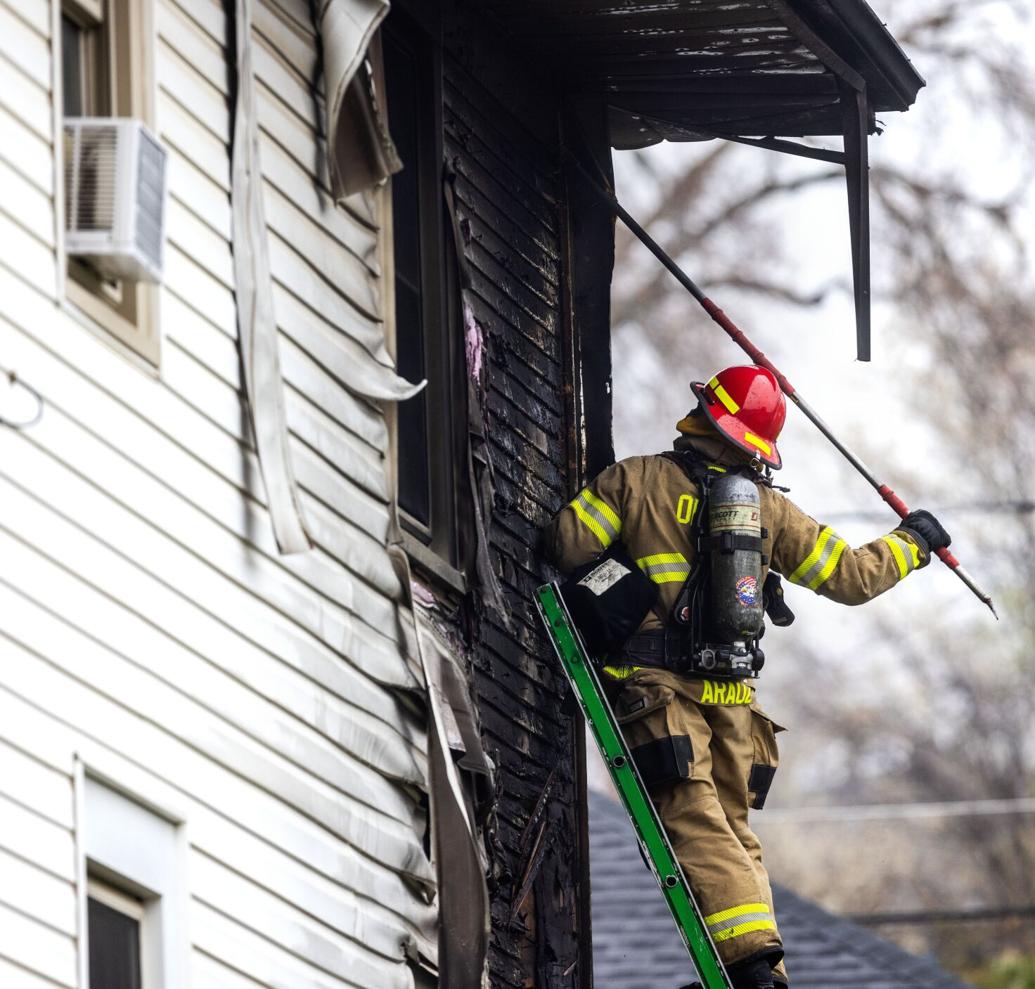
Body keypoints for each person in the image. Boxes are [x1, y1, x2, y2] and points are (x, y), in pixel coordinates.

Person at [542, 365, 951, 989]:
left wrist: (626, 551)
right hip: (734, 696)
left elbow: (566, 545)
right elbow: (851, 578)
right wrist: (912, 541)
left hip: (657, 687)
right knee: (736, 836)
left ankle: (753, 971)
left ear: (705, 414)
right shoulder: (767, 507)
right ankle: (770, 973)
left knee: (692, 817)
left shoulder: (636, 480)